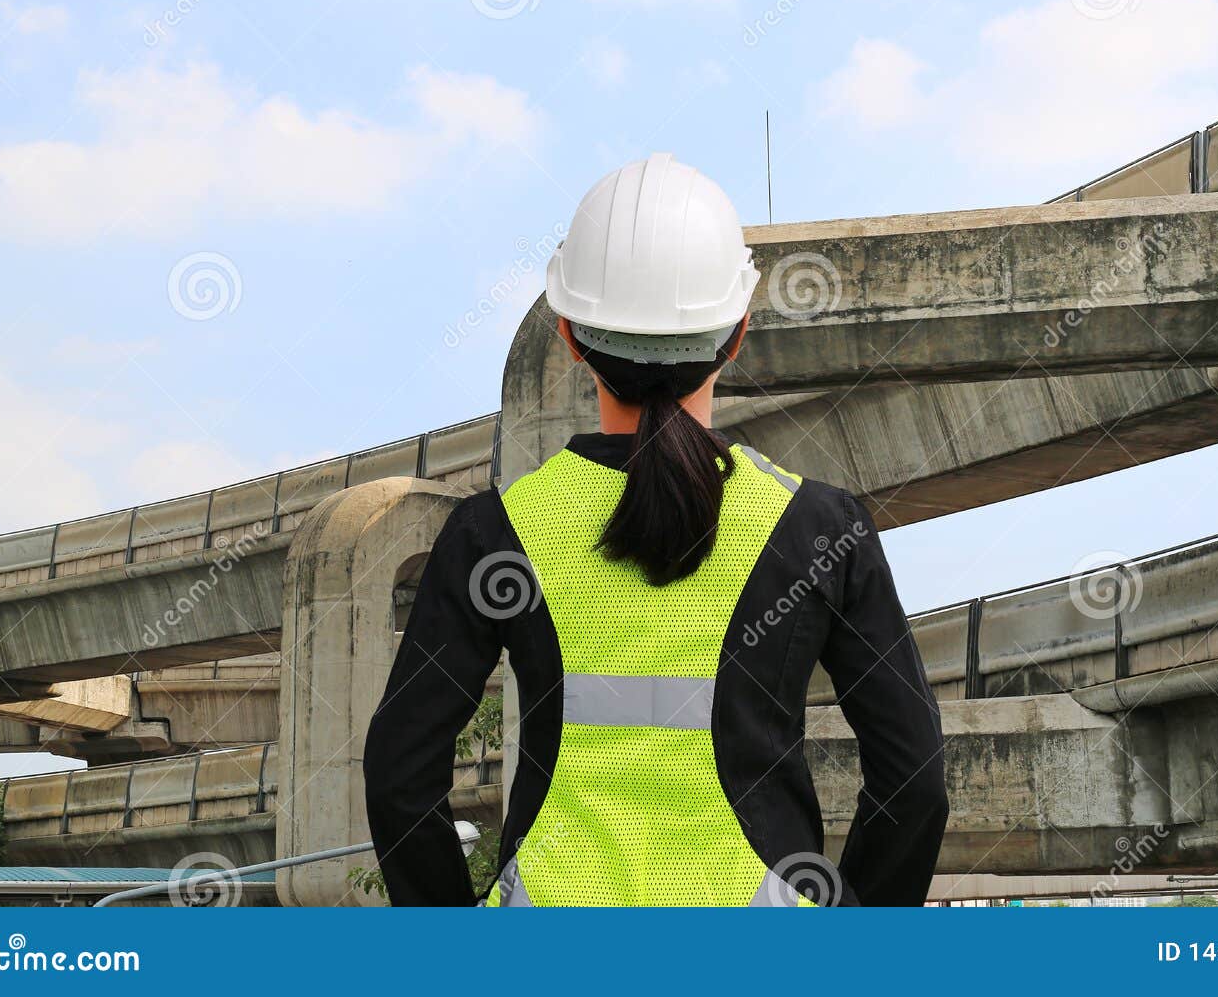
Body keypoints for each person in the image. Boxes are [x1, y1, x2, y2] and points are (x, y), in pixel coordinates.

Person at [363, 153, 947, 906]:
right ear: (736, 334)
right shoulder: (818, 530)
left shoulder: (496, 532)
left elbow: (398, 775)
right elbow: (915, 776)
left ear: (571, 337)